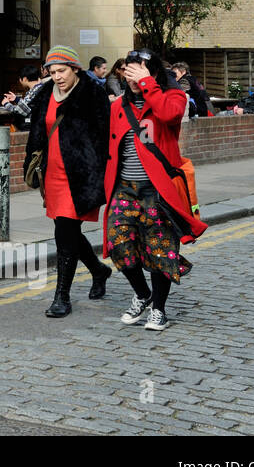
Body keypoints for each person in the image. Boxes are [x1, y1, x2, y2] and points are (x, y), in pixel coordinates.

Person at [105, 49, 207, 331]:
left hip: (157, 190)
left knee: (161, 250)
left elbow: (170, 114)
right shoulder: (117, 107)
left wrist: (149, 83)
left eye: (139, 69)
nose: (132, 75)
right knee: (118, 243)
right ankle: (142, 294)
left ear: (152, 73)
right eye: (129, 69)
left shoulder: (172, 98)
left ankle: (159, 309)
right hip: (125, 189)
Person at [25, 45, 113, 317]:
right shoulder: (44, 94)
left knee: (64, 233)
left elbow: (104, 136)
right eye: (52, 72)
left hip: (80, 175)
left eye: (62, 70)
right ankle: (99, 270)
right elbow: (37, 131)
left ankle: (62, 296)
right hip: (52, 174)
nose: (58, 76)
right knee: (69, 231)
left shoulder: (93, 94)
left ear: (75, 68)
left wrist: (100, 174)